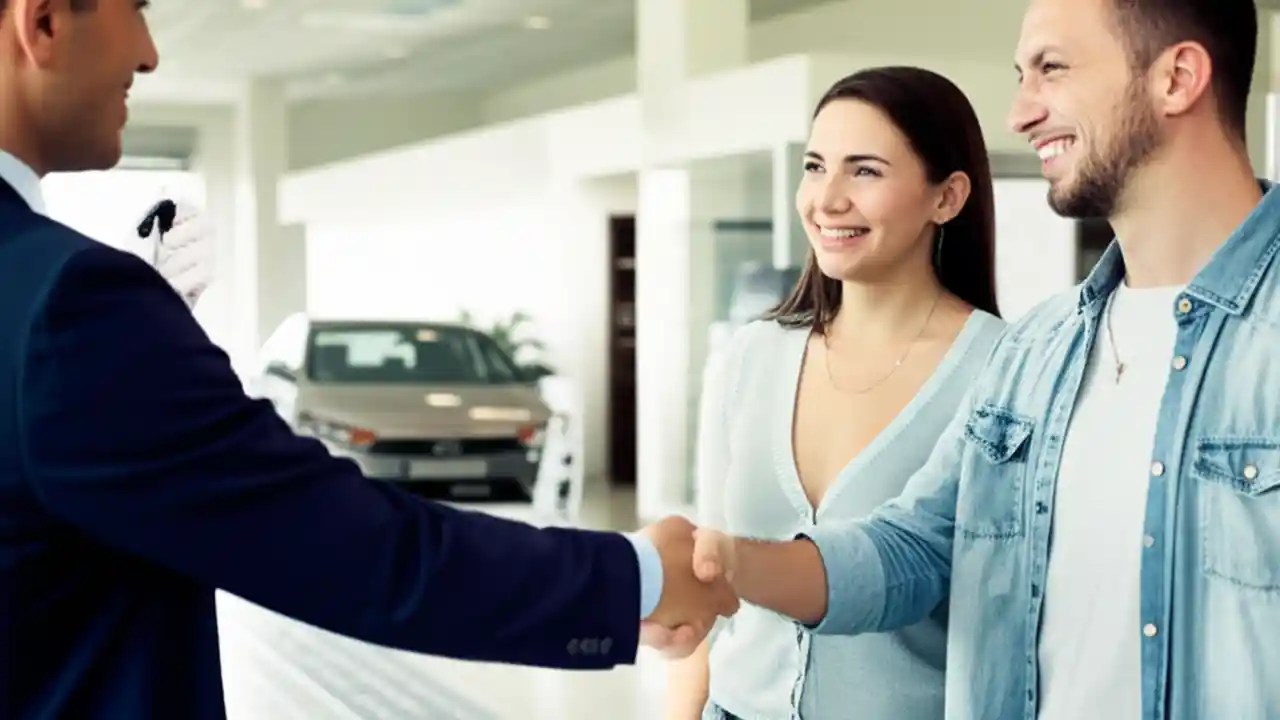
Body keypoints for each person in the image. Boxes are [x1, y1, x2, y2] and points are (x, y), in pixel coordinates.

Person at [0, 1, 736, 718]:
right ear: (44, 22)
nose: (149, 52)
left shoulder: (57, 300)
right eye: (137, 6)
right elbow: (346, 547)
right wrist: (631, 578)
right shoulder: (71, 304)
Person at [683, 0, 1280, 718]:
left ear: (1177, 77)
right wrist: (729, 563)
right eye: (1021, 75)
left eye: (1051, 69)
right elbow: (911, 553)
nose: (1019, 114)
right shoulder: (1038, 354)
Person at [663, 66, 1006, 720]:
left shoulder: (1004, 371)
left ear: (947, 197)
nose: (826, 199)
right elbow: (708, 596)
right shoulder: (751, 357)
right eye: (816, 166)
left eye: (865, 171)